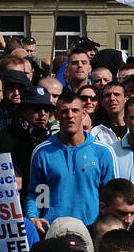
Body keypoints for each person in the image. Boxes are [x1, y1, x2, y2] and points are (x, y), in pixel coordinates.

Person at [25, 91, 115, 230]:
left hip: (91, 230)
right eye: (64, 111)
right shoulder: (42, 152)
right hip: (52, 229)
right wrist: (33, 217)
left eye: (75, 110)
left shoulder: (104, 152)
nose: (70, 116)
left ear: (84, 114)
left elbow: (111, 197)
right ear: (56, 115)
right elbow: (37, 193)